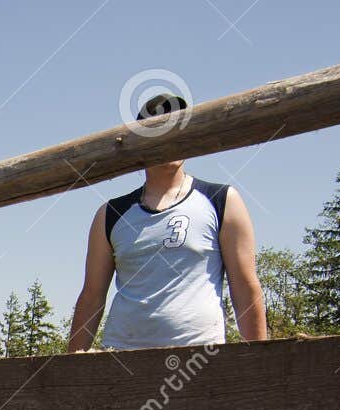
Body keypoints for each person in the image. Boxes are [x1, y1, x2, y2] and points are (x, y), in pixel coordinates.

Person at [68, 94, 267, 352]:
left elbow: (245, 289)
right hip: (120, 364)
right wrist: (69, 368)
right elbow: (92, 296)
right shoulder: (110, 214)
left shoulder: (221, 201)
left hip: (201, 363)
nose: (170, 138)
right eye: (158, 130)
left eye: (178, 129)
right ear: (141, 142)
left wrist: (261, 362)